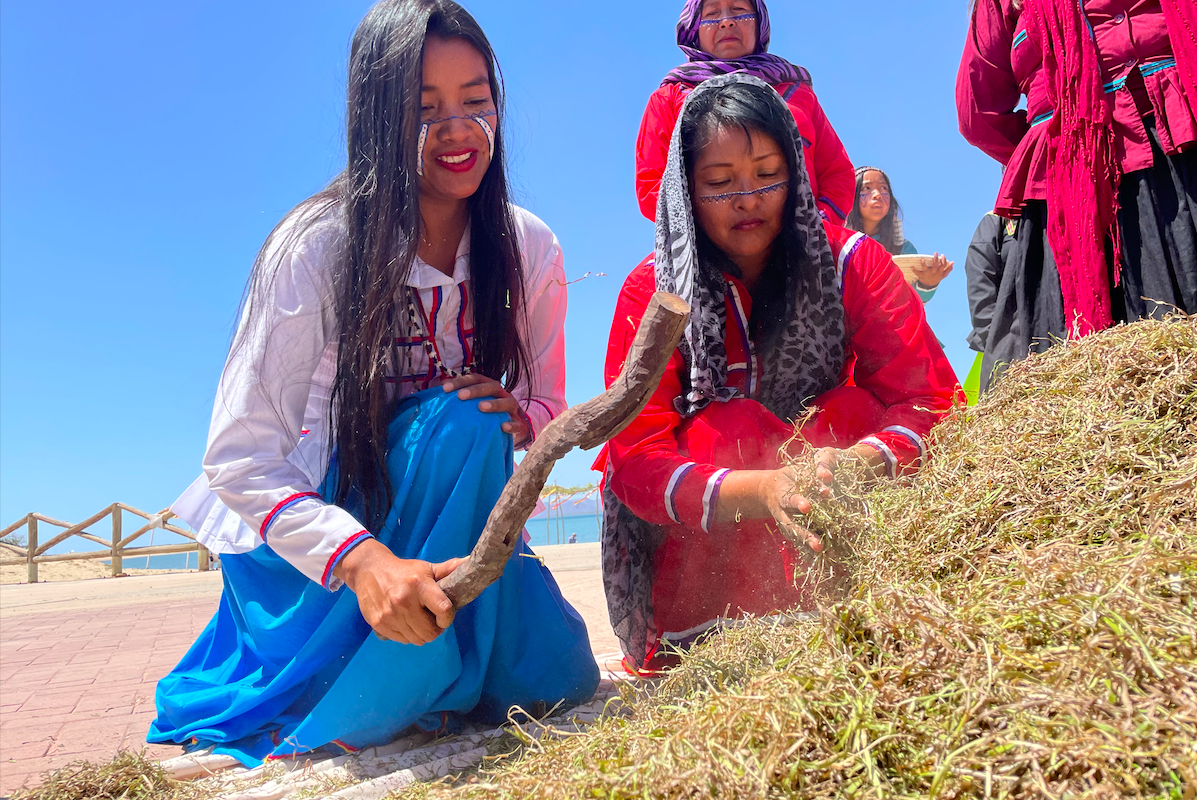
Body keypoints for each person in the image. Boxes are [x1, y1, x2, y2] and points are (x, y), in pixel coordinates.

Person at [149, 0, 598, 766]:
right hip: (324, 545)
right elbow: (239, 456)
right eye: (423, 110)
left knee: (560, 680)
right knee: (461, 424)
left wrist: (519, 415)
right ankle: (396, 678)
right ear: (374, 120)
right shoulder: (318, 246)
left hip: (455, 520)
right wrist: (364, 564)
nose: (458, 130)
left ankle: (444, 659)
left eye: (476, 101)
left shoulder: (527, 246)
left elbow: (547, 403)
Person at [597, 74, 963, 674]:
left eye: (767, 173)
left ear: (796, 171)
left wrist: (851, 463)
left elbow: (931, 400)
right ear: (683, 189)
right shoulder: (653, 291)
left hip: (830, 480)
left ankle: (852, 620)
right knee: (731, 423)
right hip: (705, 527)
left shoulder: (853, 263)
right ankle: (710, 647)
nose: (748, 197)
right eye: (719, 183)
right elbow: (635, 457)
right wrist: (763, 490)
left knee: (849, 416)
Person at [958, 0, 1196, 387]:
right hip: (1170, 144)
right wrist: (1054, 149)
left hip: (1104, 165)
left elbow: (976, 115)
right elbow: (977, 113)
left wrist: (1052, 148)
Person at [634, 0, 855, 224]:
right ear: (693, 29)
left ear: (760, 24)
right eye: (712, 13)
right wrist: (710, 236)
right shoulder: (669, 100)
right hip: (706, 250)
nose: (727, 21)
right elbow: (651, 185)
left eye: (739, 10)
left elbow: (837, 173)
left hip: (805, 247)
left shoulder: (799, 93)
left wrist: (816, 229)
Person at [845, 166, 954, 304]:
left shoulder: (903, 250)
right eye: (866, 189)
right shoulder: (837, 244)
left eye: (884, 189)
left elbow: (911, 303)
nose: (877, 194)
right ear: (852, 197)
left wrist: (928, 284)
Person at [963, 212, 1020, 394]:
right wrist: (999, 343)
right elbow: (980, 287)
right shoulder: (997, 219)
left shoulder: (1068, 209)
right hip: (1003, 353)